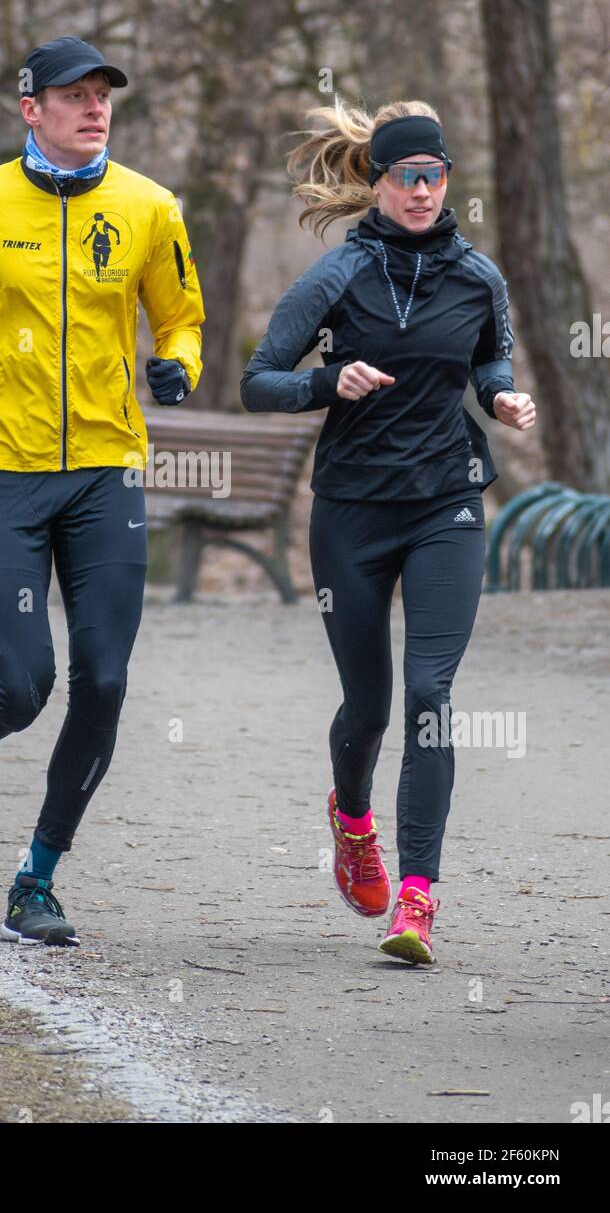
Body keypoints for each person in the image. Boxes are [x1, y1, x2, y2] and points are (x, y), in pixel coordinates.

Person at [0, 35, 204, 945]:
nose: (94, 107)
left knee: (103, 679)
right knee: (24, 684)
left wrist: (175, 366)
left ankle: (37, 879)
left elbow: (180, 318)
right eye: (74, 94)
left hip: (104, 471)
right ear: (31, 109)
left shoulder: (149, 207)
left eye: (104, 94)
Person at [240, 97, 535, 965]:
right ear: (378, 184)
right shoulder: (336, 278)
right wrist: (330, 382)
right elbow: (260, 381)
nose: (420, 190)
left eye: (434, 177)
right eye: (406, 177)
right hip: (353, 513)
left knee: (430, 698)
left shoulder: (478, 275)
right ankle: (353, 821)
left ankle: (418, 900)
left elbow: (490, 356)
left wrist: (503, 396)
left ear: (448, 182)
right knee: (368, 705)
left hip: (446, 501)